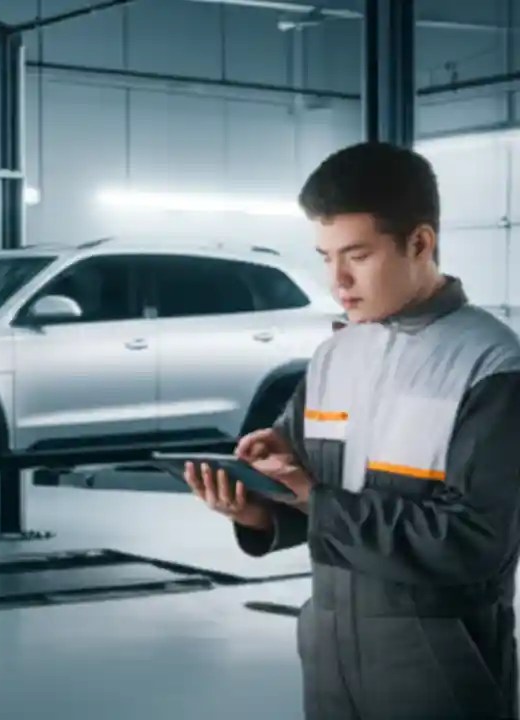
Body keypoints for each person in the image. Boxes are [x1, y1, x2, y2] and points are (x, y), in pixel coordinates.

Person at [183, 141, 520, 720]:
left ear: (420, 242)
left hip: (440, 662)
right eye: (325, 255)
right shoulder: (335, 356)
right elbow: (311, 496)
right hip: (331, 652)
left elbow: (474, 544)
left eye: (357, 255)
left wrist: (316, 499)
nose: (337, 279)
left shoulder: (491, 366)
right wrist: (260, 508)